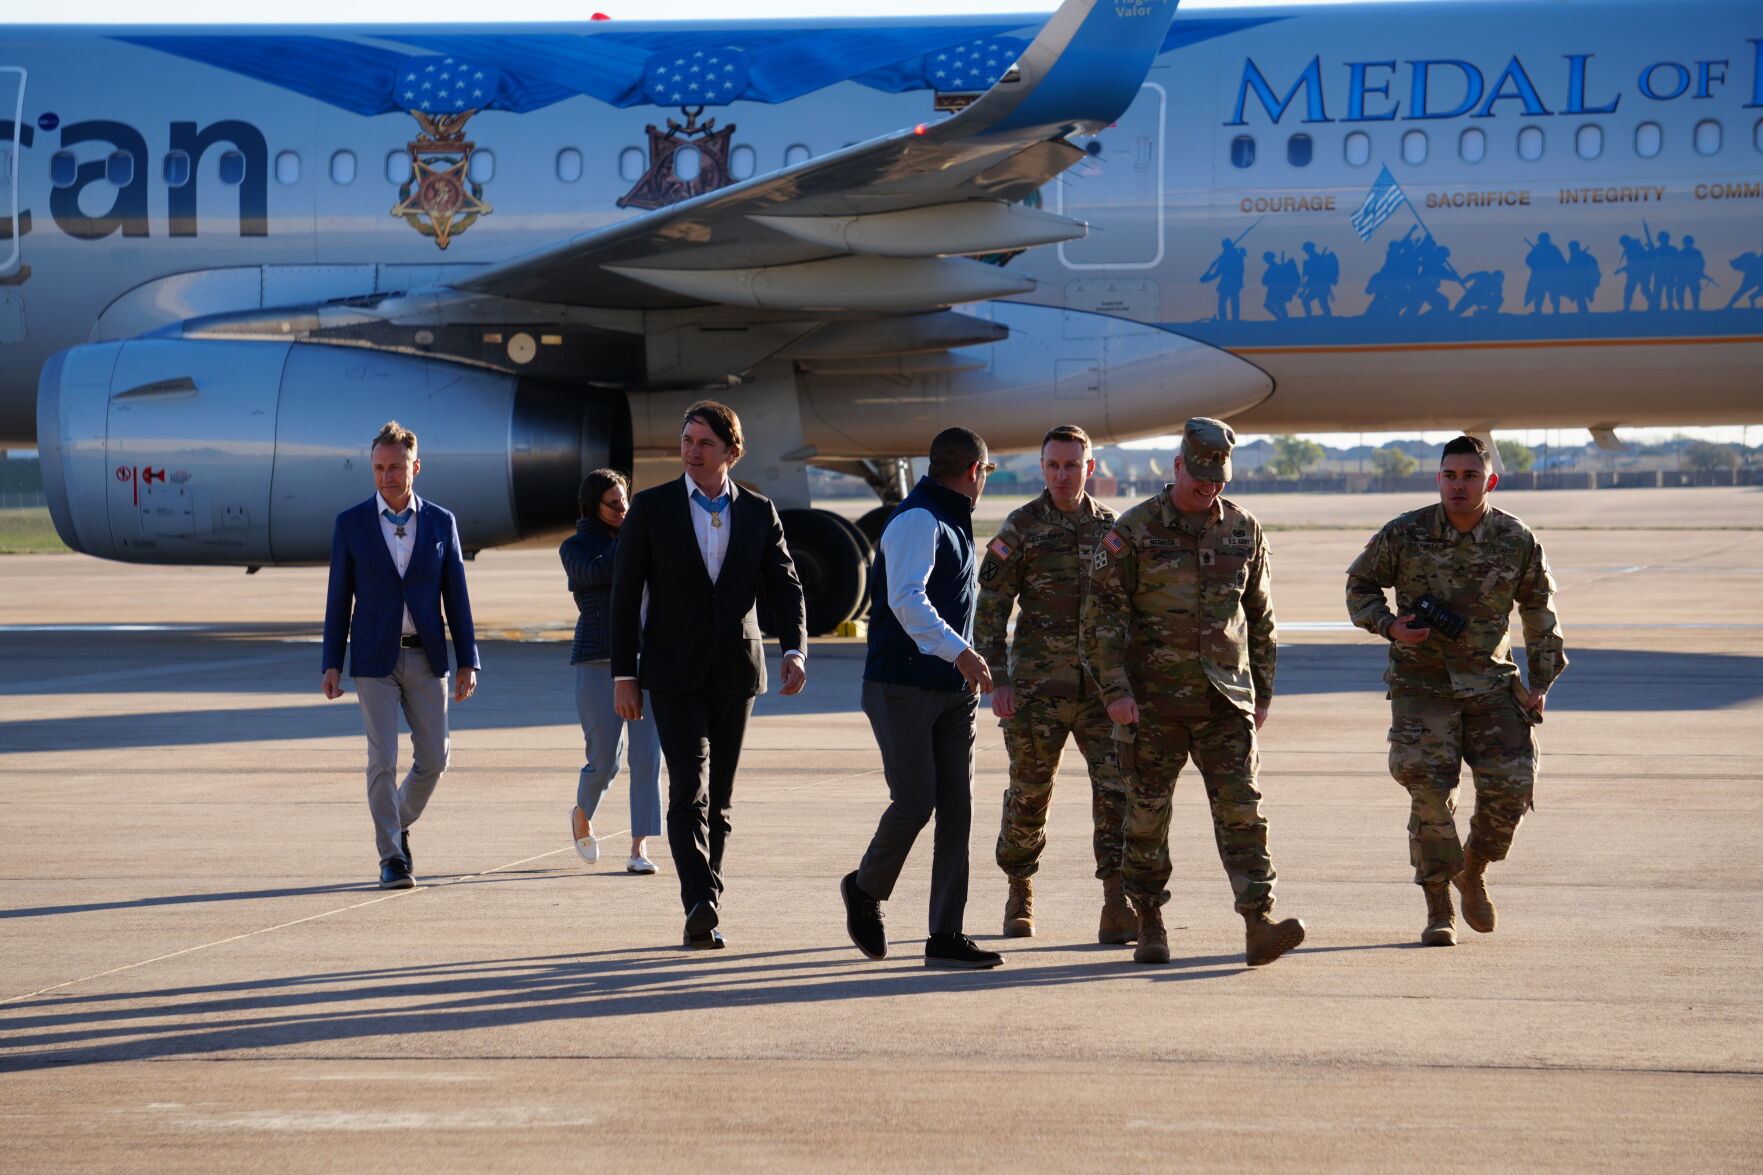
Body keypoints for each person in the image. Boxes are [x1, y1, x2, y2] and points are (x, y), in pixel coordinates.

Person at [1084, 417, 1305, 967]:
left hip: (1225, 701)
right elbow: (1101, 619)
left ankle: (1258, 923)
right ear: (1177, 465)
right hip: (1150, 706)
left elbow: (1261, 617)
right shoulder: (1134, 530)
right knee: (1146, 818)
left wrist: (1263, 693)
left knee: (1243, 813)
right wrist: (1115, 691)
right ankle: (1149, 923)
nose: (1209, 488)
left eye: (1218, 480)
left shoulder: (1243, 529)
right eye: (1199, 477)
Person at [1346, 434, 1567, 946]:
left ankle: (1472, 868)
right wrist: (1389, 625)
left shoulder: (1515, 537)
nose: (1458, 485)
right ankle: (1437, 906)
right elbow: (1360, 586)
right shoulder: (1406, 532)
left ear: (1490, 481)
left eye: (1470, 476)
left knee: (1512, 788)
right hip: (1421, 685)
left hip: (1491, 684)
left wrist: (1541, 680)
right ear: (1438, 479)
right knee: (1429, 794)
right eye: (1450, 475)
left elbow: (1539, 608)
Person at [610, 401, 807, 950]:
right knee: (687, 790)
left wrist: (794, 649)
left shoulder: (759, 511)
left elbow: (785, 586)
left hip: (737, 671)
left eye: (705, 443)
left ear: (732, 452)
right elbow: (625, 595)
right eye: (687, 440)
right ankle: (699, 900)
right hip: (672, 672)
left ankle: (707, 901)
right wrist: (624, 674)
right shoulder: (652, 507)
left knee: (719, 799)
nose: (692, 452)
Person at [841, 427, 1003, 970]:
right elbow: (907, 600)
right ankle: (864, 888)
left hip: (953, 693)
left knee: (958, 811)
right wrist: (962, 652)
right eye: (986, 472)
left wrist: (964, 661)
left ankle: (946, 934)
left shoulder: (952, 518)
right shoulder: (919, 519)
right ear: (974, 471)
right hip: (902, 687)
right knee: (915, 802)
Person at [974, 424, 1132, 942]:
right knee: (1029, 795)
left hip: (1101, 693)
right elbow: (991, 608)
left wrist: (1128, 684)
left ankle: (1117, 901)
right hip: (1035, 692)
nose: (1063, 475)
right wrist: (998, 680)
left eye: (1072, 465)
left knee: (1117, 794)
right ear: (1042, 468)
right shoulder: (1021, 526)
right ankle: (1019, 891)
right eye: (1053, 465)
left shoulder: (1113, 527)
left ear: (1090, 468)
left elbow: (1130, 607)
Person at [321, 421, 479, 889]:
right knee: (382, 759)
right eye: (379, 468)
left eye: (395, 467)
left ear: (416, 467)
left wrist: (468, 658)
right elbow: (338, 598)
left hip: (427, 657)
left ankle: (396, 820)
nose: (386, 476)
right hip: (375, 660)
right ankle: (392, 857)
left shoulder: (441, 522)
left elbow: (457, 595)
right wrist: (332, 662)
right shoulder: (351, 523)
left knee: (435, 758)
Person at [561, 469, 663, 874]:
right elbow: (594, 574)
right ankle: (582, 812)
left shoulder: (643, 538)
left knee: (647, 758)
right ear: (594, 506)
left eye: (626, 500)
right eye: (614, 503)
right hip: (597, 660)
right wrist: (633, 536)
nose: (623, 508)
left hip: (648, 660)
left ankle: (639, 848)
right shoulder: (576, 547)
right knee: (605, 760)